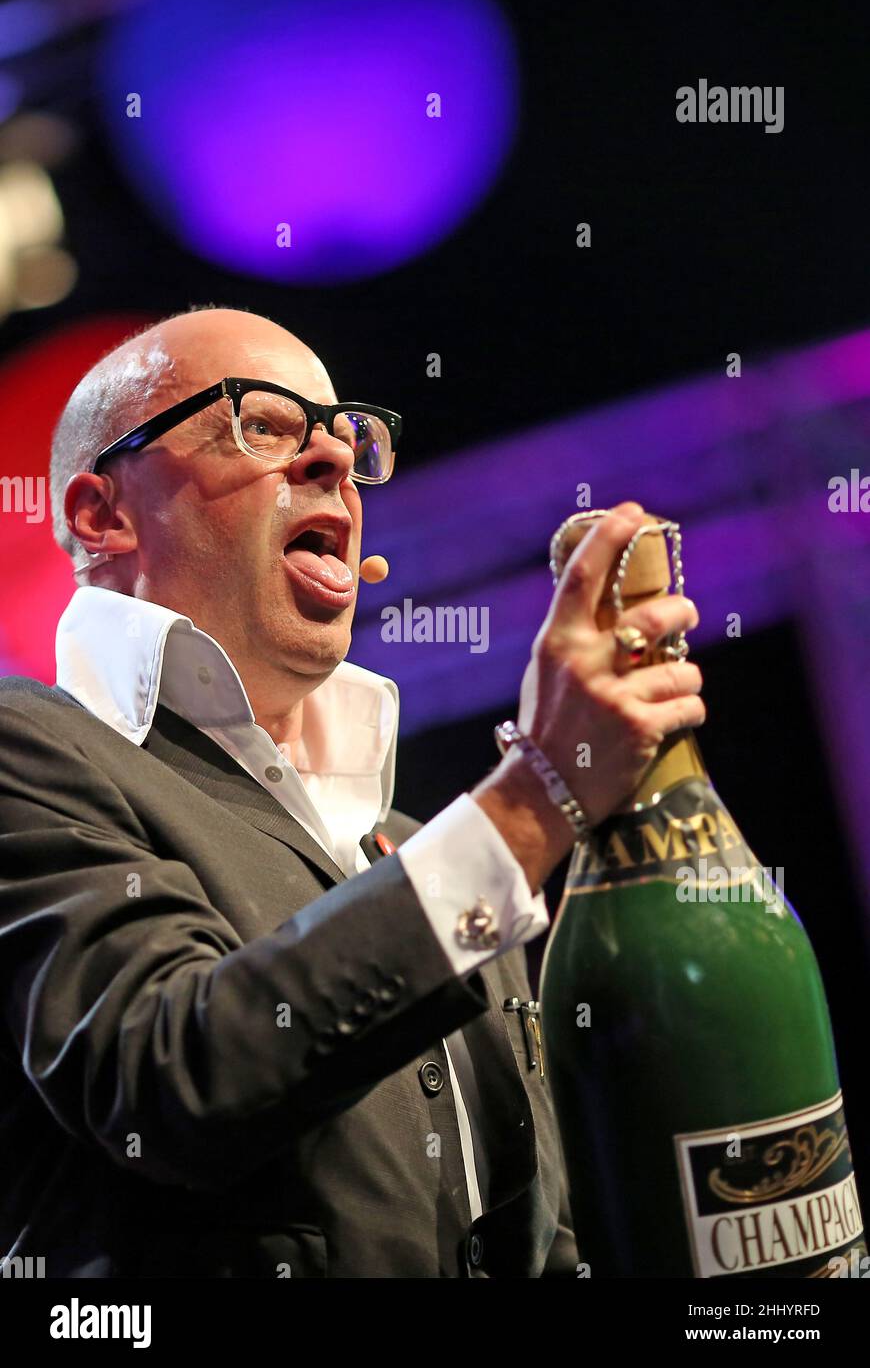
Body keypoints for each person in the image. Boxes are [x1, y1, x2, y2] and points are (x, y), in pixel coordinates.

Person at [0, 307, 704, 1278]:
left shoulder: (414, 847)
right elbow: (169, 1084)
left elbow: (541, 1234)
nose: (333, 453)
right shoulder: (25, 752)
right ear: (101, 514)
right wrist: (538, 796)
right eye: (263, 422)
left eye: (343, 432)